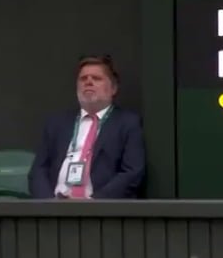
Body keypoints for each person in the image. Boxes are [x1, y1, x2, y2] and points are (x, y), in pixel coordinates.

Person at [28, 55, 146, 199]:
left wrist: (94, 205)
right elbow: (38, 171)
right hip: (55, 209)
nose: (88, 82)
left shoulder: (127, 123)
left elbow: (132, 173)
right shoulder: (57, 124)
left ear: (113, 88)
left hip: (100, 211)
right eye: (83, 79)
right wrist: (48, 204)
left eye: (96, 78)